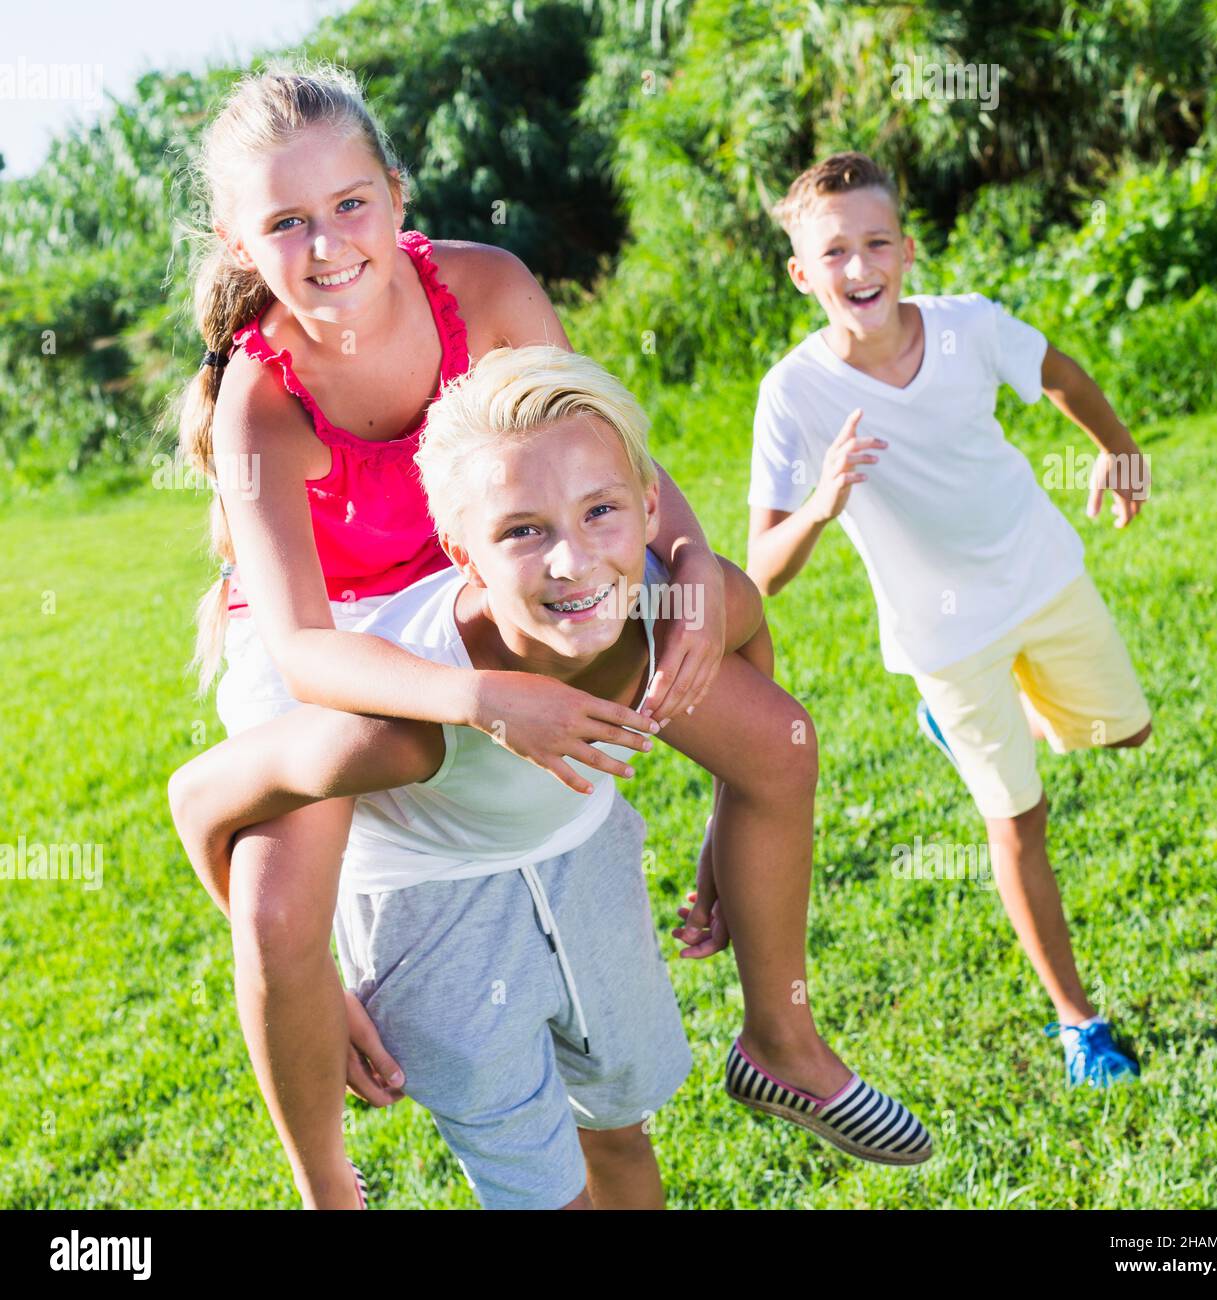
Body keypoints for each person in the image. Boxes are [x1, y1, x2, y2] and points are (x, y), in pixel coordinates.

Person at [170, 346, 933, 1208]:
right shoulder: (403, 722)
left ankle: (780, 1049)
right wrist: (312, 981)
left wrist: (728, 817)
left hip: (581, 859)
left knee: (619, 1135)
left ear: (651, 508)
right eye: (523, 531)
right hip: (439, 919)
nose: (572, 562)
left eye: (599, 510)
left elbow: (750, 643)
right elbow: (199, 801)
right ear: (462, 555)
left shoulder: (665, 612)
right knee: (544, 1193)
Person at [172, 61, 735, 1209]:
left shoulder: (486, 291)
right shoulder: (259, 402)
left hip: (456, 564)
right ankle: (325, 1178)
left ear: (395, 191)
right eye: (285, 223)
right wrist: (481, 699)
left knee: (698, 653)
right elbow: (302, 648)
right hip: (316, 620)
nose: (328, 244)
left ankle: (783, 1027)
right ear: (239, 243)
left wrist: (691, 563)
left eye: (349, 204)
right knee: (282, 898)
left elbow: (603, 456)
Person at [747, 151, 1152, 1089]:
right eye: (834, 252)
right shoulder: (793, 396)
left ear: (908, 248)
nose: (859, 269)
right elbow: (761, 571)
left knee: (1126, 735)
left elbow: (1061, 374)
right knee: (1019, 819)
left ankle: (1018, 707)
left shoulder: (968, 329)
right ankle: (1078, 1025)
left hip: (1043, 580)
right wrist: (820, 504)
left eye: (875, 242)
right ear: (803, 273)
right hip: (945, 638)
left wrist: (1119, 451)